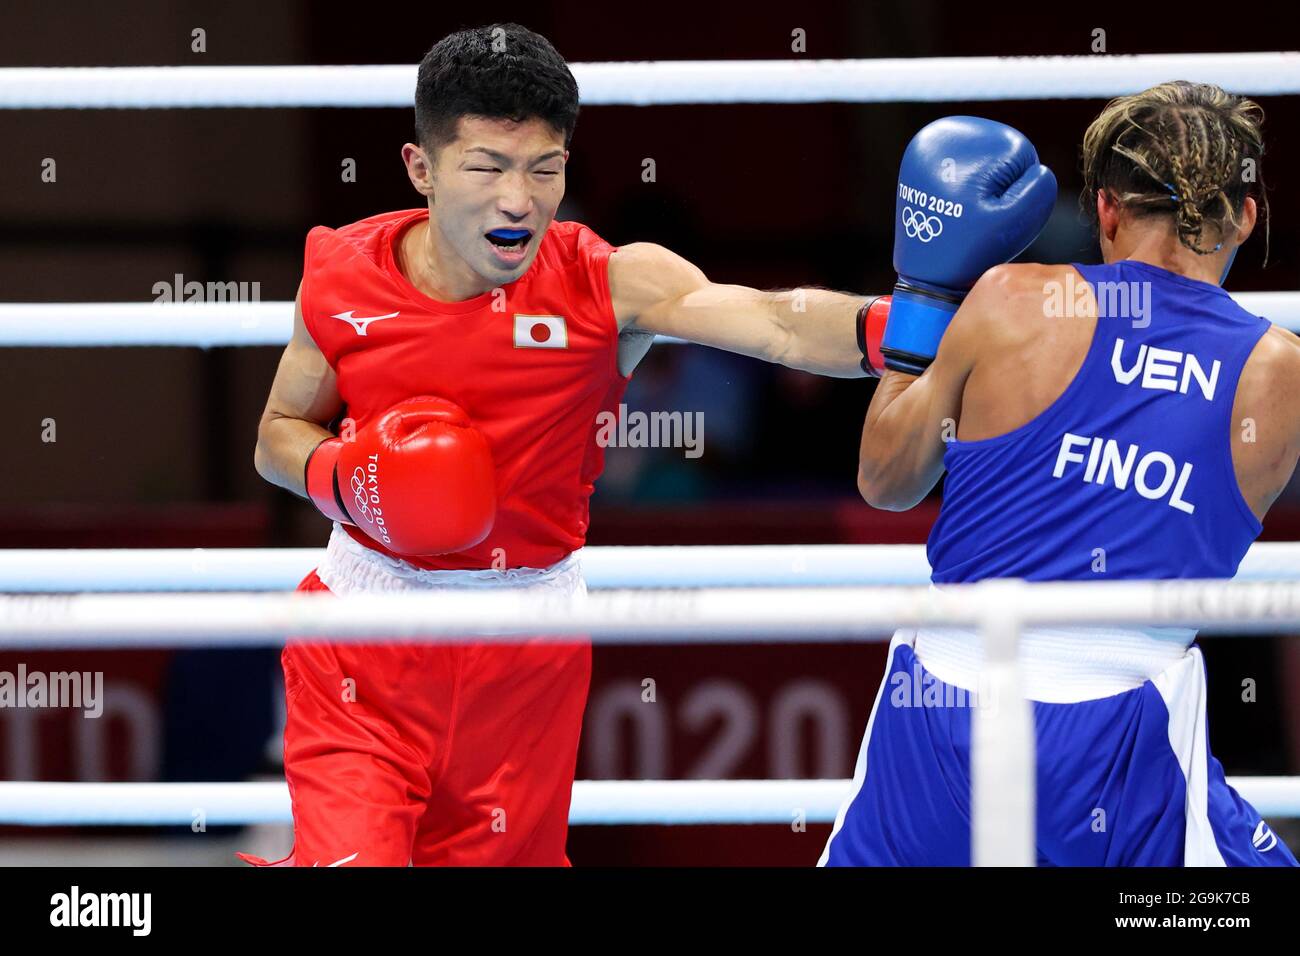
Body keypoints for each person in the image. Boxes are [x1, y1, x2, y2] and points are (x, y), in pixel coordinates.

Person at [243, 22, 910, 867]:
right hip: (361, 638)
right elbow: (276, 435)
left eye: (544, 169)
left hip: (526, 648)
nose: (517, 199)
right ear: (421, 169)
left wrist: (908, 330)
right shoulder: (342, 274)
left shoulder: (605, 281)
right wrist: (349, 479)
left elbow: (774, 321)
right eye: (486, 167)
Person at [824, 81, 1300, 866]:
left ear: (1105, 210)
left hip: (941, 710)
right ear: (1246, 216)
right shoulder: (1277, 375)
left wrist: (924, 296)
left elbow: (886, 478)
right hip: (1123, 738)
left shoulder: (1012, 300)